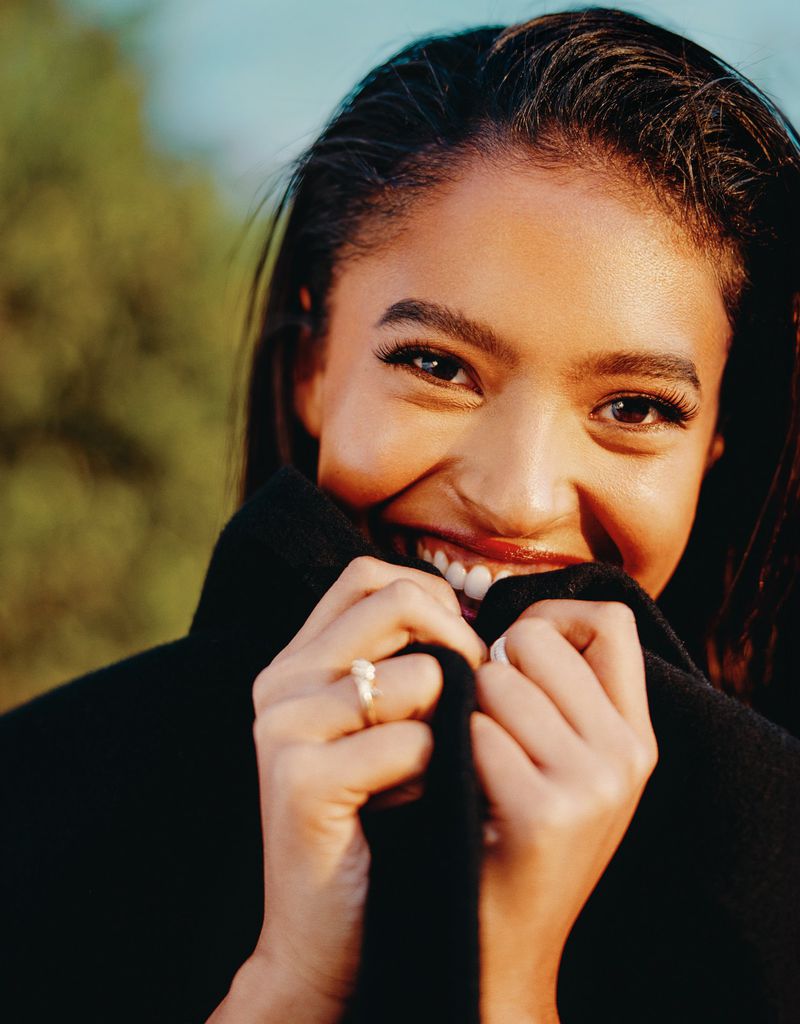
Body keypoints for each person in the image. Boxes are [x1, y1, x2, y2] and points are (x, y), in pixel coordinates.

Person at [2, 8, 800, 1024]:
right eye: (436, 366)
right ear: (311, 367)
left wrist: (505, 977)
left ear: (713, 447)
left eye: (633, 408)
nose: (517, 497)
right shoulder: (44, 814)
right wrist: (291, 980)